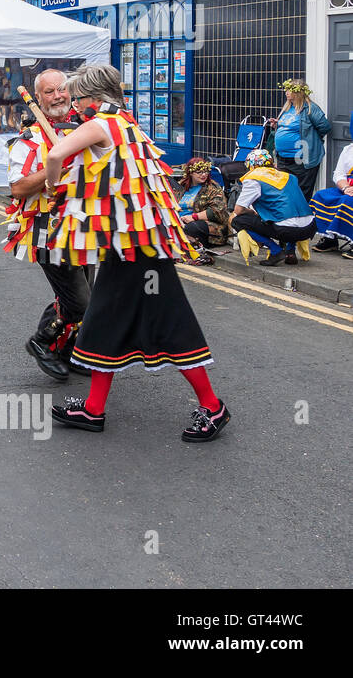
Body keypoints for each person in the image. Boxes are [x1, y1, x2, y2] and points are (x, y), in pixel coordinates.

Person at [43, 64, 229, 442]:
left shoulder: (100, 125)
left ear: (93, 97)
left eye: (77, 98)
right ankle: (94, 409)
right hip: (132, 243)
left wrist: (52, 190)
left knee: (170, 323)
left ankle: (213, 406)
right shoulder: (128, 123)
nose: (75, 105)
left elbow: (54, 156)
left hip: (137, 249)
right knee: (103, 320)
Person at [3, 69, 91, 381]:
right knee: (82, 302)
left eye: (62, 90)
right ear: (38, 99)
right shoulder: (29, 141)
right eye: (49, 92)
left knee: (86, 296)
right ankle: (42, 341)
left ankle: (68, 351)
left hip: (87, 228)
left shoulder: (86, 129)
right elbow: (18, 188)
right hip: (48, 232)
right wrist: (57, 164)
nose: (57, 96)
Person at [230, 148, 316, 267]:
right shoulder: (289, 176)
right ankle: (290, 251)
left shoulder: (253, 179)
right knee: (288, 217)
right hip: (309, 227)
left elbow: (238, 210)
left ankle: (276, 251)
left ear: (250, 166)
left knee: (238, 221)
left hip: (287, 230)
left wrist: (252, 212)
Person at [269, 79, 330, 200]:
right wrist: (278, 125)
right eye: (286, 89)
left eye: (290, 90)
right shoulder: (287, 108)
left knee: (301, 194)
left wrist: (311, 138)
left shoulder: (310, 108)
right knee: (284, 191)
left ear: (298, 92)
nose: (286, 92)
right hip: (283, 159)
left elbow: (324, 127)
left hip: (301, 159)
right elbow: (291, 126)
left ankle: (302, 218)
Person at [175, 158, 230, 259]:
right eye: (199, 172)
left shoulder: (212, 188)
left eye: (205, 171)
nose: (204, 174)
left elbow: (218, 211)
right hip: (180, 221)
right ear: (190, 173)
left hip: (204, 224)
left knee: (191, 227)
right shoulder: (181, 186)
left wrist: (194, 217)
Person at [311, 140, 353, 254]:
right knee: (321, 196)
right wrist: (346, 188)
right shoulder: (349, 149)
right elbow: (339, 174)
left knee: (347, 202)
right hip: (348, 188)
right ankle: (330, 239)